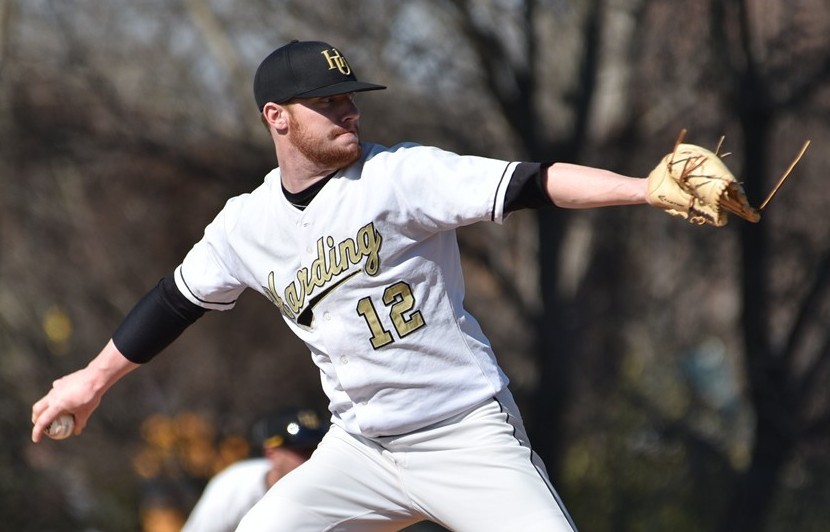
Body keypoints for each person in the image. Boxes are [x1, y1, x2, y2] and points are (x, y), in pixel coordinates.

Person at [32, 39, 655, 531]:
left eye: (349, 97)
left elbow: (531, 182)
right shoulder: (245, 224)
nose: (348, 110)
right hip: (360, 449)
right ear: (276, 118)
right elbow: (173, 301)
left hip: (463, 433)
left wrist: (644, 189)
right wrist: (91, 380)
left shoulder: (399, 175)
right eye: (327, 102)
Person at [182, 408, 326, 532]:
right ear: (272, 453)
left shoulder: (327, 490)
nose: (312, 456)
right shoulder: (234, 486)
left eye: (317, 448)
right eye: (302, 451)